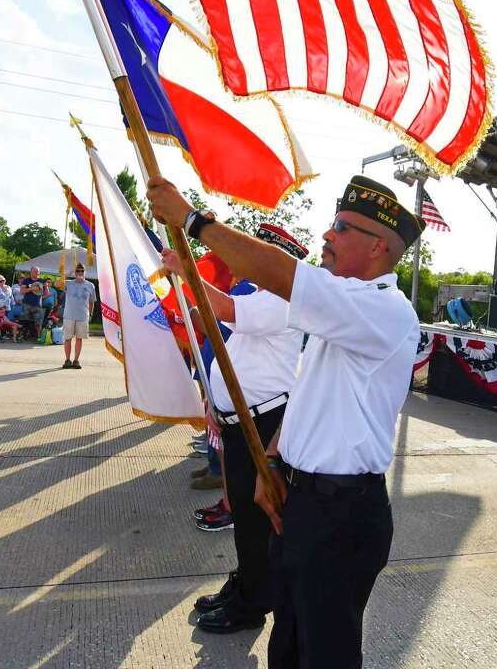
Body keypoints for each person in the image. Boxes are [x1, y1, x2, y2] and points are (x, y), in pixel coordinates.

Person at [148, 173, 423, 666]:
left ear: (378, 247)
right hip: (303, 500)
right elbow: (306, 398)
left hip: (341, 512)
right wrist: (273, 460)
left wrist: (192, 221)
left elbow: (283, 274)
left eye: (342, 227)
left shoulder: (383, 310)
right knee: (289, 644)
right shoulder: (341, 310)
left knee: (325, 654)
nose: (327, 234)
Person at [163, 222, 310, 635]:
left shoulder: (281, 299)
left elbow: (225, 311)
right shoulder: (260, 297)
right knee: (244, 515)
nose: (243, 261)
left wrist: (185, 269)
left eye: (253, 254)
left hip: (262, 422)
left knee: (254, 520)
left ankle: (252, 603)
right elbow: (216, 324)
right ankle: (246, 584)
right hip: (242, 420)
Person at [60, 264, 95, 368]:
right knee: (68, 339)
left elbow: (92, 301)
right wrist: (68, 273)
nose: (80, 273)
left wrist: (91, 314)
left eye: (82, 271)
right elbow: (57, 284)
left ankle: (76, 360)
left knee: (79, 339)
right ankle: (67, 360)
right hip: (69, 316)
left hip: (83, 316)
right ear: (75, 273)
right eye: (77, 271)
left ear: (85, 272)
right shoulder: (68, 283)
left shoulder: (90, 285)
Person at [0, 275, 19, 341]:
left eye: (3, 280)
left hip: (6, 307)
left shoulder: (8, 287)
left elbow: (11, 296)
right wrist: (3, 290)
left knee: (5, 321)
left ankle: (3, 335)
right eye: (0, 281)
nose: (2, 282)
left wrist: (13, 303)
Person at [19, 267, 47, 331]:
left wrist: (40, 297)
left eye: (38, 271)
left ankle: (37, 336)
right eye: (35, 271)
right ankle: (23, 334)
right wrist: (32, 288)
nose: (37, 273)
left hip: (37, 305)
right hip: (26, 304)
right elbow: (22, 291)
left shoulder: (42, 281)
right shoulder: (26, 280)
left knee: (38, 323)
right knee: (24, 322)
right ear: (31, 272)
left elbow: (47, 293)